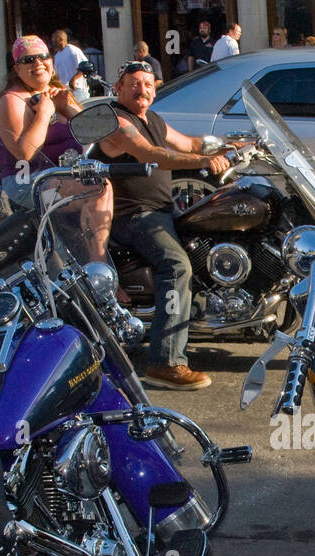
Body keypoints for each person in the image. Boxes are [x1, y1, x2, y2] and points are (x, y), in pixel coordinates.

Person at [96, 60, 231, 390]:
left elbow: (187, 143)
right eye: (134, 83)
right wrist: (203, 162)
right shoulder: (115, 121)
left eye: (148, 84)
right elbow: (149, 154)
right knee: (176, 266)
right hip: (133, 216)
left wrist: (233, 144)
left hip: (161, 209)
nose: (142, 89)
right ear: (119, 89)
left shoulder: (152, 118)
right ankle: (166, 362)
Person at [0, 36, 113, 262]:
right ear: (17, 69)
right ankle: (98, 267)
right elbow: (24, 153)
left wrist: (66, 106)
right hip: (30, 181)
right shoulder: (12, 101)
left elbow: (95, 133)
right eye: (28, 60)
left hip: (68, 174)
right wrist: (45, 112)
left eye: (42, 56)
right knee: (99, 189)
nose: (37, 63)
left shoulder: (58, 91)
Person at [51, 29, 90, 102]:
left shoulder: (73, 51)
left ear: (61, 39)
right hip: (66, 91)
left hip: (78, 90)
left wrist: (73, 79)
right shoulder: (57, 56)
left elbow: (85, 67)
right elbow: (57, 75)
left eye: (54, 40)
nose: (52, 42)